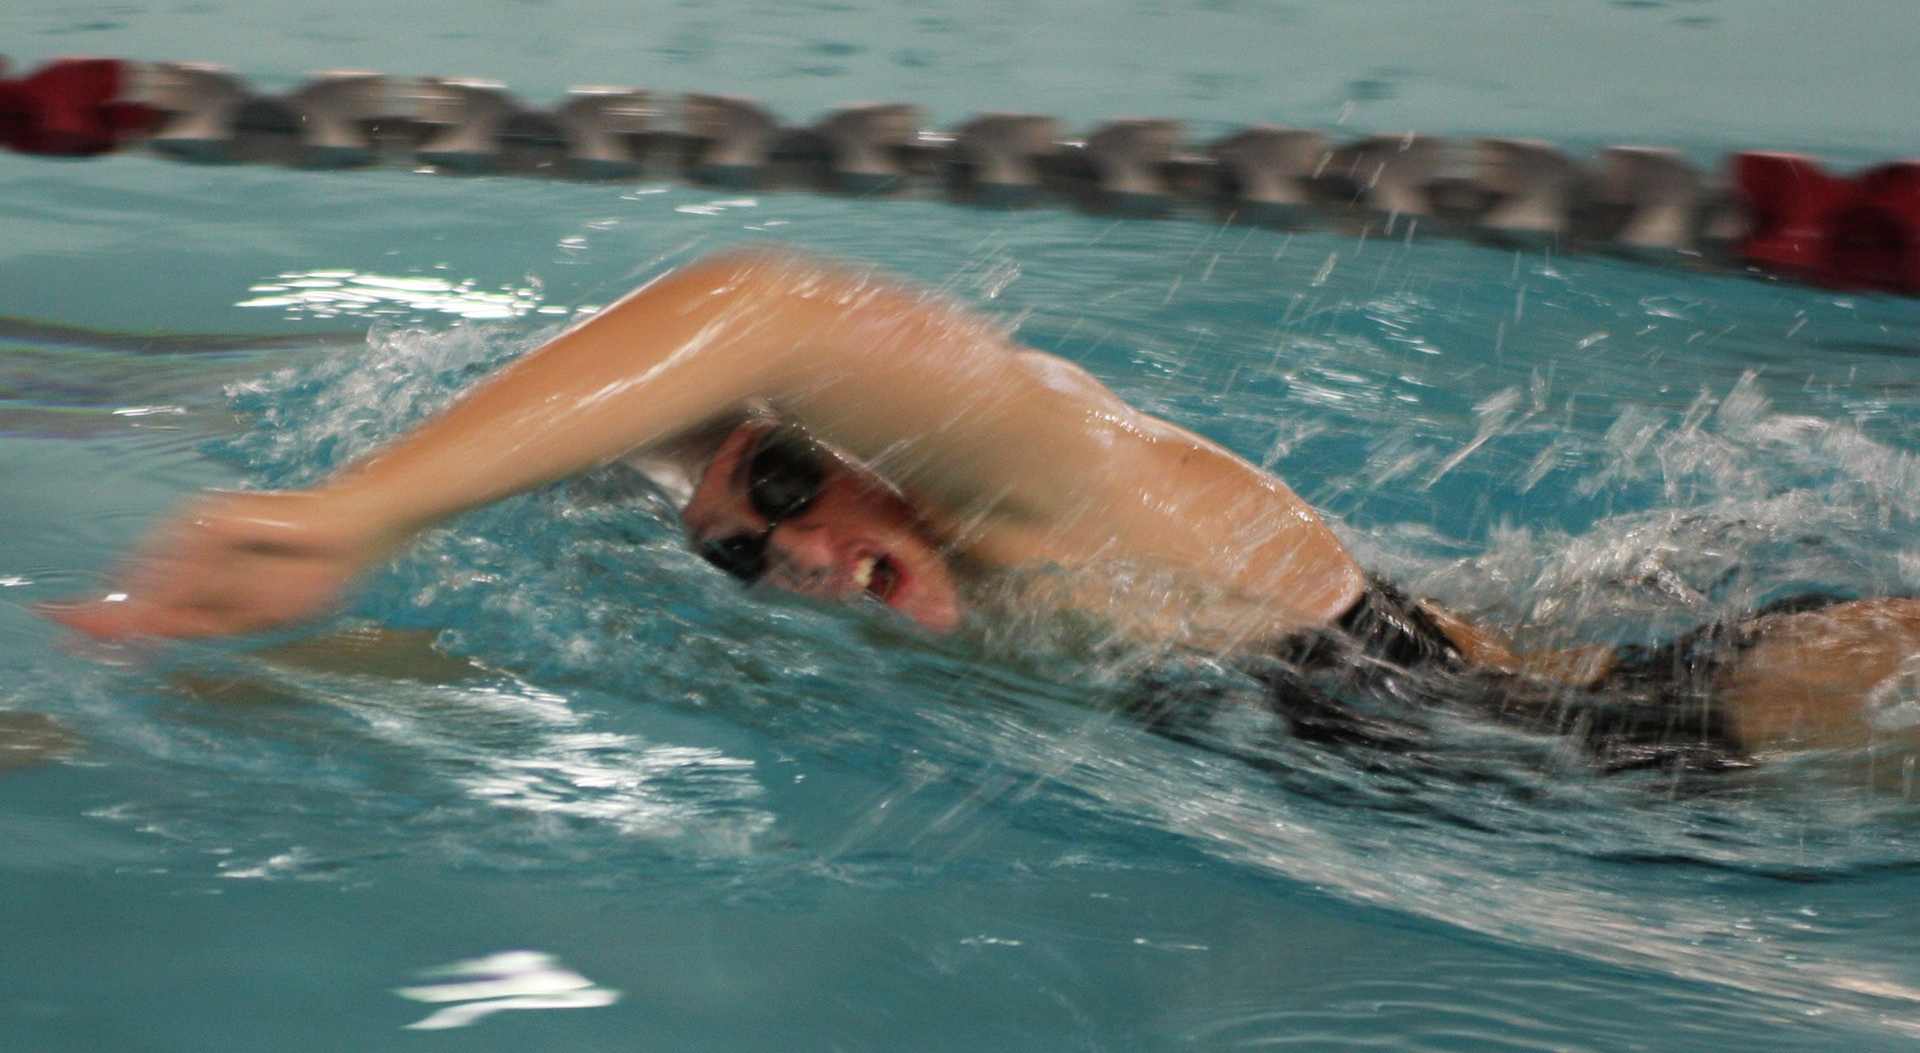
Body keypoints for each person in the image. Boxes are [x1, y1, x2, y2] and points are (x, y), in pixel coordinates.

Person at [42, 249, 1920, 769]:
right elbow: (481, 705)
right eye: (742, 550)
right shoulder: (925, 614)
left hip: (1707, 729)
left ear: (875, 441)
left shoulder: (1043, 494)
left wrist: (356, 510)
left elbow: (767, 303)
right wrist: (99, 700)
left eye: (786, 478)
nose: (787, 551)